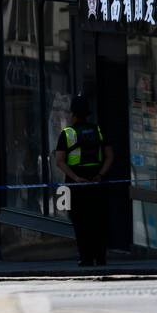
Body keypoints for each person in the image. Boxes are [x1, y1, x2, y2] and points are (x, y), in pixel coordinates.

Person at [54, 95, 114, 267]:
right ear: (87, 113)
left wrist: (75, 178)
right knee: (99, 220)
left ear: (73, 114)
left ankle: (86, 258)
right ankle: (101, 257)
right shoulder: (98, 130)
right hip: (97, 183)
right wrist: (100, 175)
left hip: (76, 185)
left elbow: (59, 161)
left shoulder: (67, 133)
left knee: (80, 222)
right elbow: (110, 156)